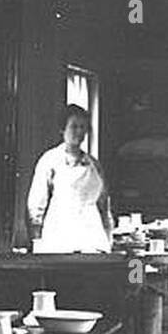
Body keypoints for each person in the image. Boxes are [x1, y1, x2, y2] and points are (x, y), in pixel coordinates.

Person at [26, 104, 113, 252]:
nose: (79, 131)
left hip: (92, 236)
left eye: (83, 127)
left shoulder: (94, 165)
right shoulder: (50, 161)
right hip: (60, 235)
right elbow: (36, 204)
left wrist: (108, 235)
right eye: (74, 126)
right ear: (62, 129)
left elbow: (104, 205)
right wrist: (37, 240)